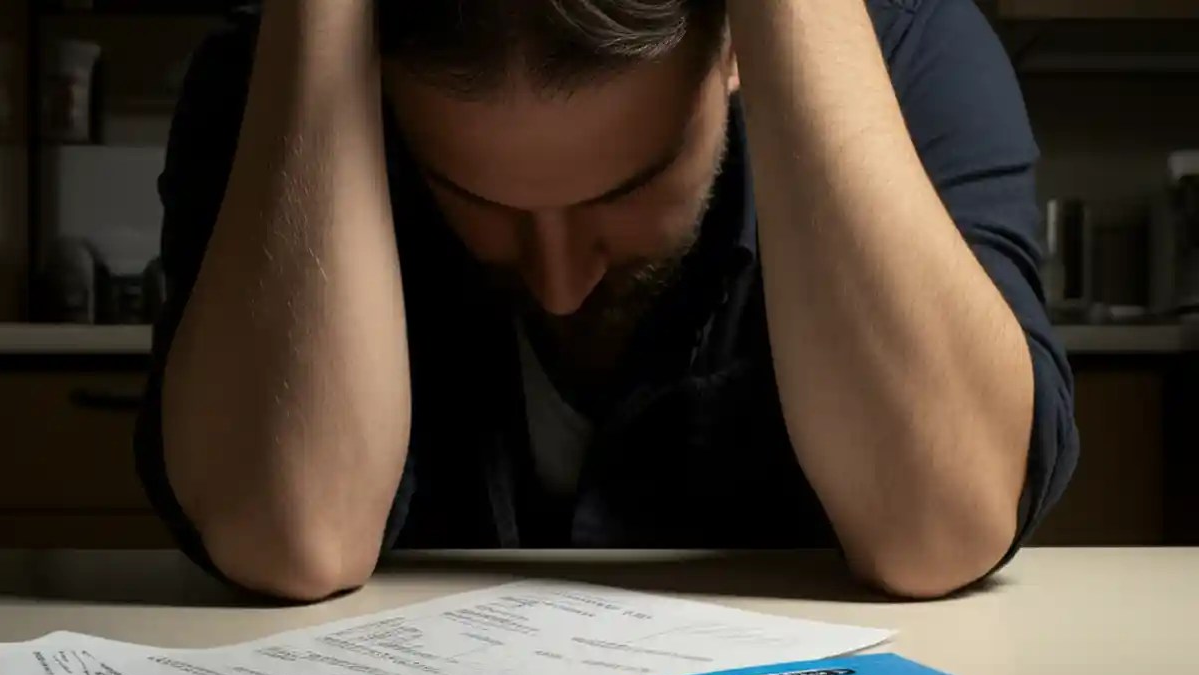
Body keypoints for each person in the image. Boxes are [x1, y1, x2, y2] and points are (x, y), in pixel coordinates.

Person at [135, 0, 1080, 602]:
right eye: (478, 202)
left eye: (628, 192)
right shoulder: (282, 68)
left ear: (734, 49)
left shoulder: (905, 47)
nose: (560, 281)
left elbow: (941, 529)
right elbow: (292, 536)